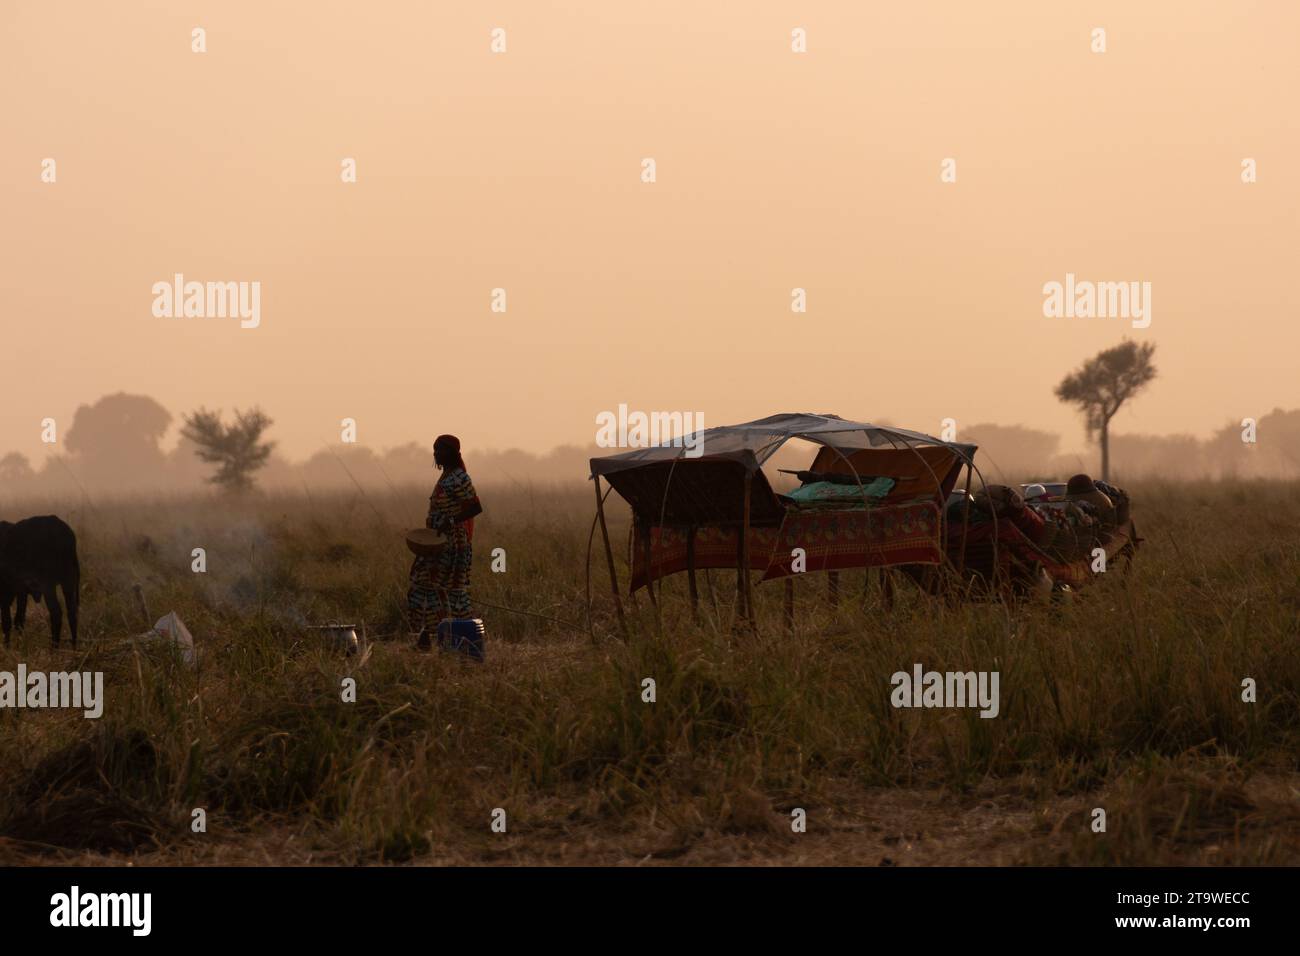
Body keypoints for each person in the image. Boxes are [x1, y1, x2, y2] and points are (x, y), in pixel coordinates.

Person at [408, 435, 482, 650]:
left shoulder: (459, 478)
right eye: (434, 450)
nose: (435, 454)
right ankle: (428, 636)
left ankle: (462, 641)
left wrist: (449, 521)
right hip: (438, 543)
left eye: (439, 450)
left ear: (451, 453)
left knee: (448, 590)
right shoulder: (446, 476)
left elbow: (475, 507)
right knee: (424, 586)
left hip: (452, 545)